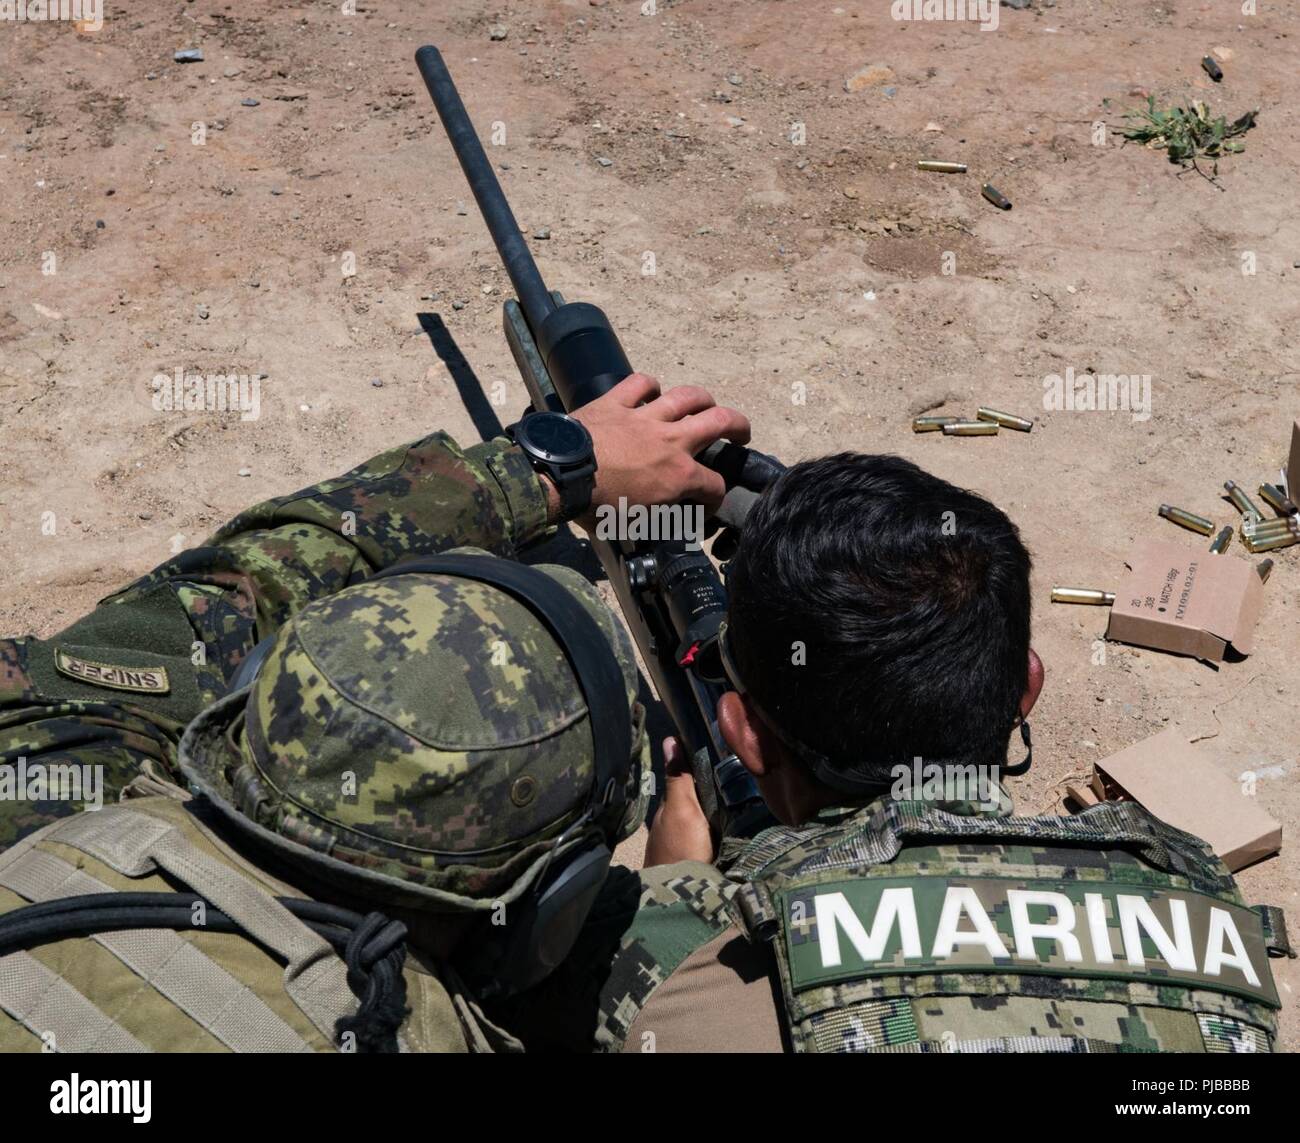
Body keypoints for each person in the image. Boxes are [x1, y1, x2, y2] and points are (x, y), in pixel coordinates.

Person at [0, 374, 749, 1052]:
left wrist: (545, 468)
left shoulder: (46, 788)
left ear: (256, 692)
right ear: (546, 919)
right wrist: (668, 913)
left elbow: (233, 594)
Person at [489, 454, 1289, 1054]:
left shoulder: (677, 950)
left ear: (743, 734)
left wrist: (674, 889)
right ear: (1026, 687)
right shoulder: (1197, 899)